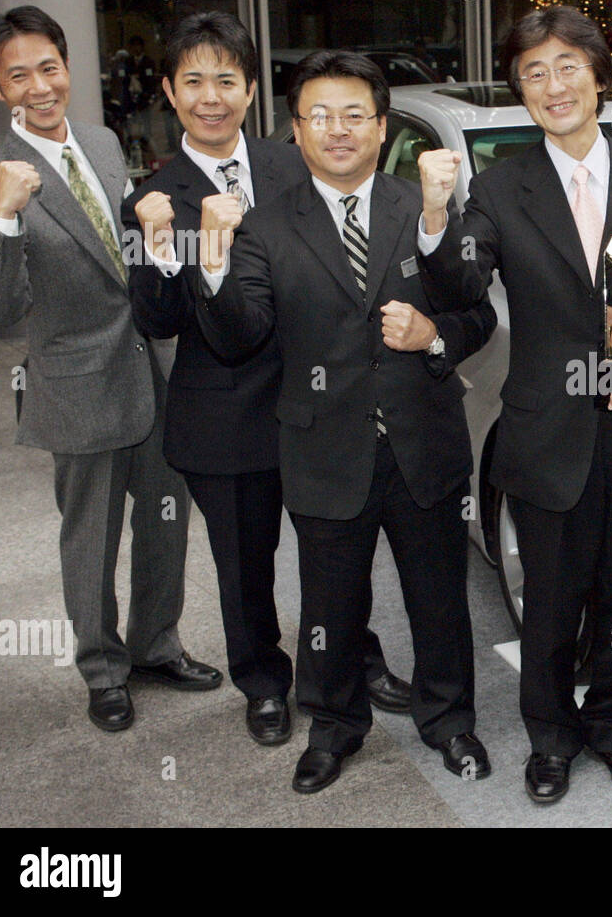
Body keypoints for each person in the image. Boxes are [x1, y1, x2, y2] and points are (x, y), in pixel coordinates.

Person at [431, 6, 612, 804]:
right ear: (519, 89)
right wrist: (435, 218)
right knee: (551, 603)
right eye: (533, 72)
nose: (553, 85)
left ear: (598, 74)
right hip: (548, 430)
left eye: (566, 66)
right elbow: (458, 281)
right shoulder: (499, 185)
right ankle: (551, 738)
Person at [193, 50, 496, 794]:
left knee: (438, 597)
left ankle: (450, 721)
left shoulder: (418, 204)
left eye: (354, 114)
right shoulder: (264, 227)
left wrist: (433, 332)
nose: (338, 130)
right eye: (319, 115)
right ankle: (334, 726)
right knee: (330, 602)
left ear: (381, 126)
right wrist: (210, 260)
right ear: (295, 131)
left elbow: (473, 305)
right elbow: (240, 336)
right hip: (323, 445)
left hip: (424, 440)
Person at [123, 12, 411, 747]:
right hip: (227, 418)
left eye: (227, 79)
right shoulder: (154, 199)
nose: (211, 96)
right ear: (169, 91)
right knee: (246, 568)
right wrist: (160, 249)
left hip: (323, 405)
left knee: (336, 548)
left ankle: (354, 659)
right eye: (194, 81)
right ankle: (263, 682)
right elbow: (156, 320)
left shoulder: (298, 160)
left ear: (251, 91)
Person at [0, 5, 220, 732]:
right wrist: (7, 220)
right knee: (91, 538)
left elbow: (122, 252)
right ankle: (102, 668)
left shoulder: (105, 142)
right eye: (19, 75)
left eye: (50, 67)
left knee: (167, 520)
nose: (40, 86)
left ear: (68, 67)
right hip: (78, 386)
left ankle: (155, 643)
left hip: (154, 368)